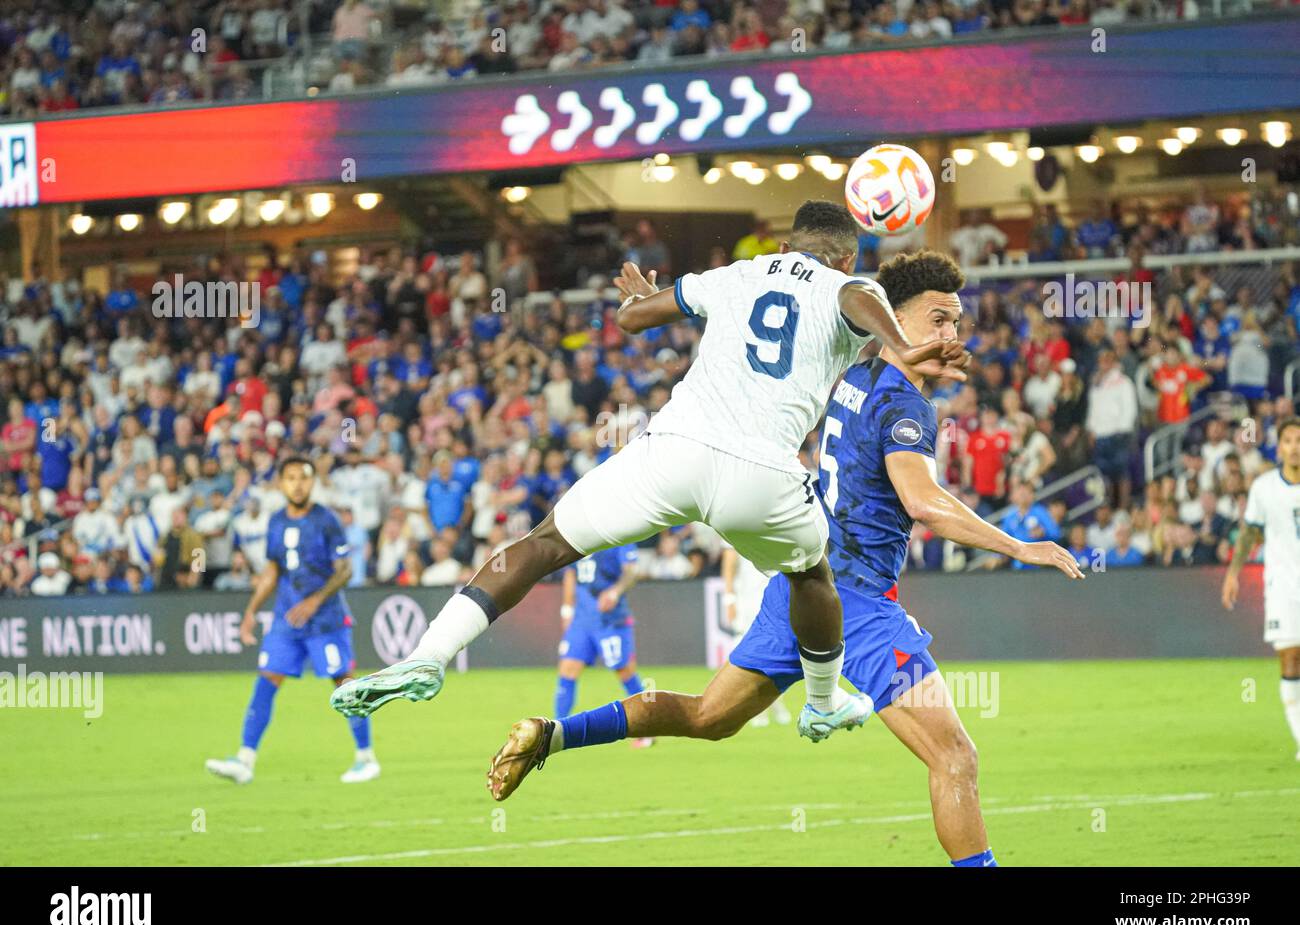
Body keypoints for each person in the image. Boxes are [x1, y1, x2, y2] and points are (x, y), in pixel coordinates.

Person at [483, 251, 1082, 873]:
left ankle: (551, 734)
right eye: (937, 320)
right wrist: (1020, 544)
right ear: (893, 320)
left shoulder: (853, 373)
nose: (950, 337)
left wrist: (667, 305)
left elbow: (773, 343)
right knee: (955, 758)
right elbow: (922, 501)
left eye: (955, 323)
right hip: (858, 608)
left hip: (801, 590)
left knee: (708, 717)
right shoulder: (905, 407)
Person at [332, 201, 969, 746]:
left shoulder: (735, 274)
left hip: (673, 451)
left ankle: (429, 654)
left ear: (782, 246)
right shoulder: (850, 289)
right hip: (761, 475)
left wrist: (641, 298)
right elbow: (857, 302)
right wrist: (904, 341)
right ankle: (825, 700)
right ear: (846, 258)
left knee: (544, 543)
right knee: (812, 575)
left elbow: (633, 318)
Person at [205, 458, 379, 786]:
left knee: (344, 685)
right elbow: (273, 571)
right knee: (266, 680)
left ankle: (366, 758)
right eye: (291, 478)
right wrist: (251, 609)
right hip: (287, 619)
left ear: (312, 483)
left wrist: (315, 600)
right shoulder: (275, 522)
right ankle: (244, 760)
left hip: (326, 619)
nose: (298, 484)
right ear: (281, 484)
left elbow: (345, 569)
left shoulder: (326, 520)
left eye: (304, 478)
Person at [1222, 417, 1300, 761]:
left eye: (1299, 440)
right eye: (1288, 440)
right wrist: (1233, 573)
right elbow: (1250, 533)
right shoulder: (1265, 487)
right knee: (1290, 658)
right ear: (1279, 446)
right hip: (1282, 584)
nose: (1295, 446)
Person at [556, 544, 653, 749]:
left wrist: (615, 592)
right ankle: (558, 731)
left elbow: (631, 571)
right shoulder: (579, 538)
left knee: (624, 671)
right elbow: (570, 575)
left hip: (611, 622)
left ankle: (648, 727)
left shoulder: (619, 538)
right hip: (582, 621)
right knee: (567, 669)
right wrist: (566, 610)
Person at [720, 542, 791, 727]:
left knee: (773, 656)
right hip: (747, 602)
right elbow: (729, 562)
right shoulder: (732, 522)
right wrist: (729, 599)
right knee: (748, 656)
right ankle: (760, 709)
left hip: (773, 597)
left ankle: (770, 705)